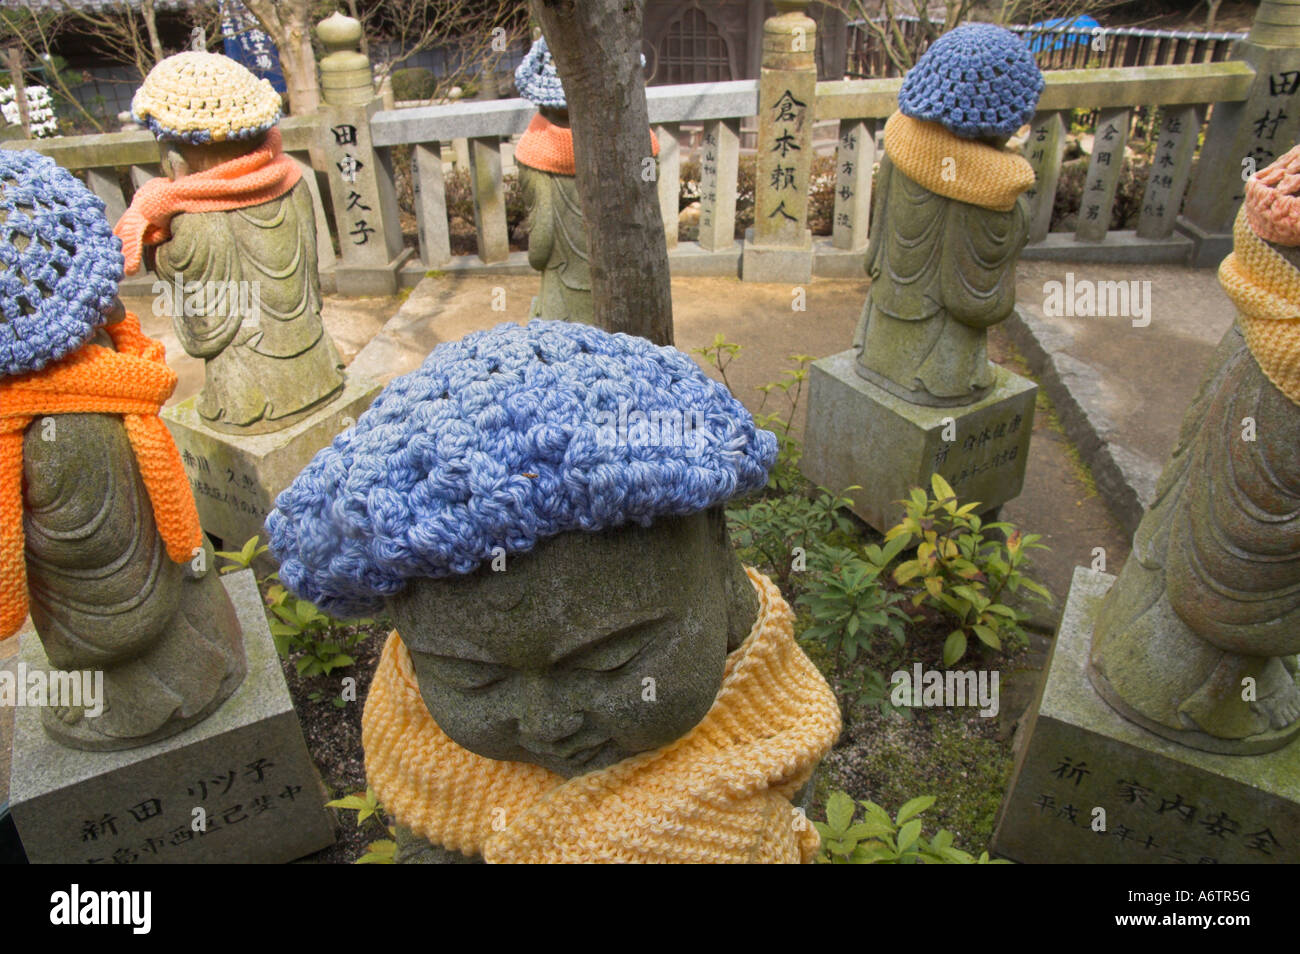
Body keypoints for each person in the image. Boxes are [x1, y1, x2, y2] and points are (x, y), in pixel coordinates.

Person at [267, 320, 841, 862]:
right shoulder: (424, 756)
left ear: (718, 555)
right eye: (475, 678)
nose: (546, 725)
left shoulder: (767, 720)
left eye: (613, 660)